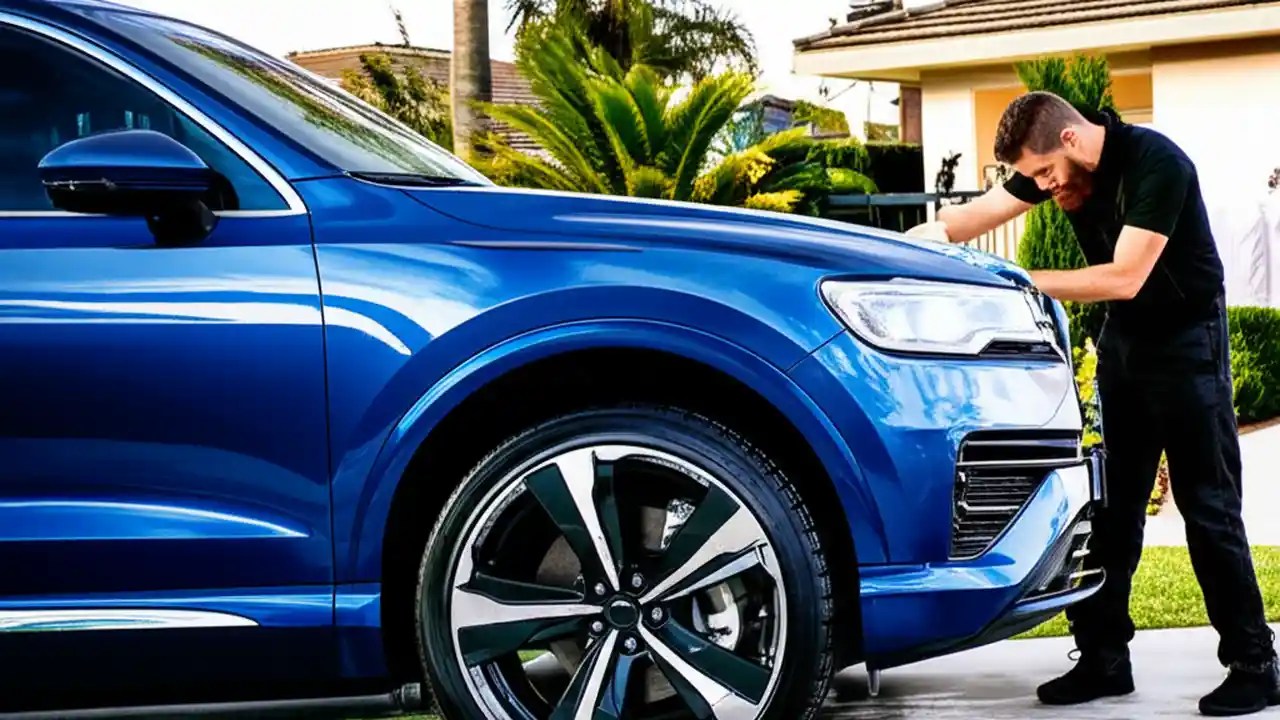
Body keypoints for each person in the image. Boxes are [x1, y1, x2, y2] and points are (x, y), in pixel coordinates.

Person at [913, 90, 1278, 717]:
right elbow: (967, 220)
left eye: (1045, 173)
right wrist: (922, 244)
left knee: (1208, 508)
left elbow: (1124, 276)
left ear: (1071, 140)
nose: (1043, 188)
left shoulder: (1158, 164)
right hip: (1125, 345)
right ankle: (1104, 659)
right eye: (1033, 179)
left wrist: (1014, 281)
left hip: (1189, 345)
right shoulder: (1056, 167)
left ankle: (1254, 664)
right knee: (1111, 511)